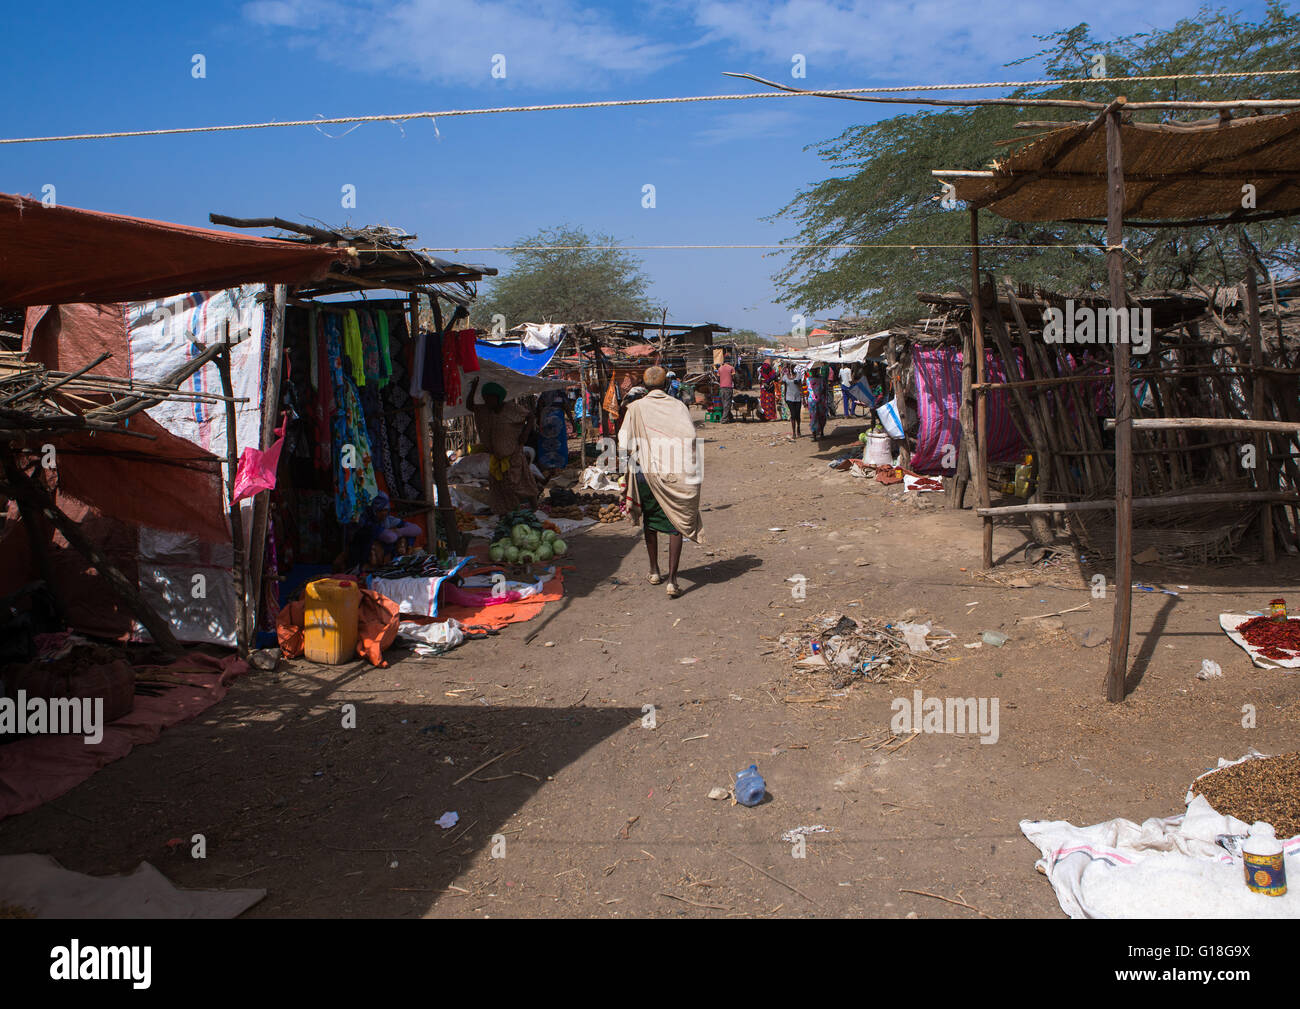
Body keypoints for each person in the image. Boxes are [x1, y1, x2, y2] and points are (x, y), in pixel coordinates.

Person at [620, 366, 703, 598]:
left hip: (645, 472)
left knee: (650, 521)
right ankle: (673, 581)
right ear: (666, 385)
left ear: (644, 387)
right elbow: (690, 437)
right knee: (676, 522)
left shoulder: (635, 408)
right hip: (675, 472)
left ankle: (655, 571)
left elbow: (624, 441)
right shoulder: (677, 406)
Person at [467, 376, 539, 514]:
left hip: (513, 454)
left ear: (498, 397)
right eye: (485, 398)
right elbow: (470, 406)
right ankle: (507, 512)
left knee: (522, 483)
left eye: (490, 398)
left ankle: (534, 507)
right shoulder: (486, 411)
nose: (487, 401)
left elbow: (530, 416)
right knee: (502, 488)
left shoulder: (511, 409)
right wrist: (473, 389)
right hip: (497, 457)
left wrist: (525, 433)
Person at [806, 365, 829, 441]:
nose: (813, 371)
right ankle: (814, 434)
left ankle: (822, 432)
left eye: (815, 370)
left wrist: (825, 399)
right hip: (812, 402)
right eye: (812, 370)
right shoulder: (808, 379)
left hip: (821, 401)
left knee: (821, 417)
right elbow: (807, 391)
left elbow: (825, 390)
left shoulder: (822, 379)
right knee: (813, 418)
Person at [781, 363, 803, 439]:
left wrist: (803, 397)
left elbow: (801, 387)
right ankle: (793, 432)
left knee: (798, 415)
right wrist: (784, 398)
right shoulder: (785, 377)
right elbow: (785, 387)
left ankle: (798, 428)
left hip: (797, 397)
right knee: (793, 414)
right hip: (789, 397)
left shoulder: (798, 376)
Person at [717, 355, 735, 422]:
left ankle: (729, 417)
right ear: (729, 361)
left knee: (724, 403)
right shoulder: (731, 368)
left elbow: (718, 378)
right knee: (728, 403)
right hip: (728, 387)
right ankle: (724, 419)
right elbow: (734, 377)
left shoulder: (720, 368)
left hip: (721, 387)